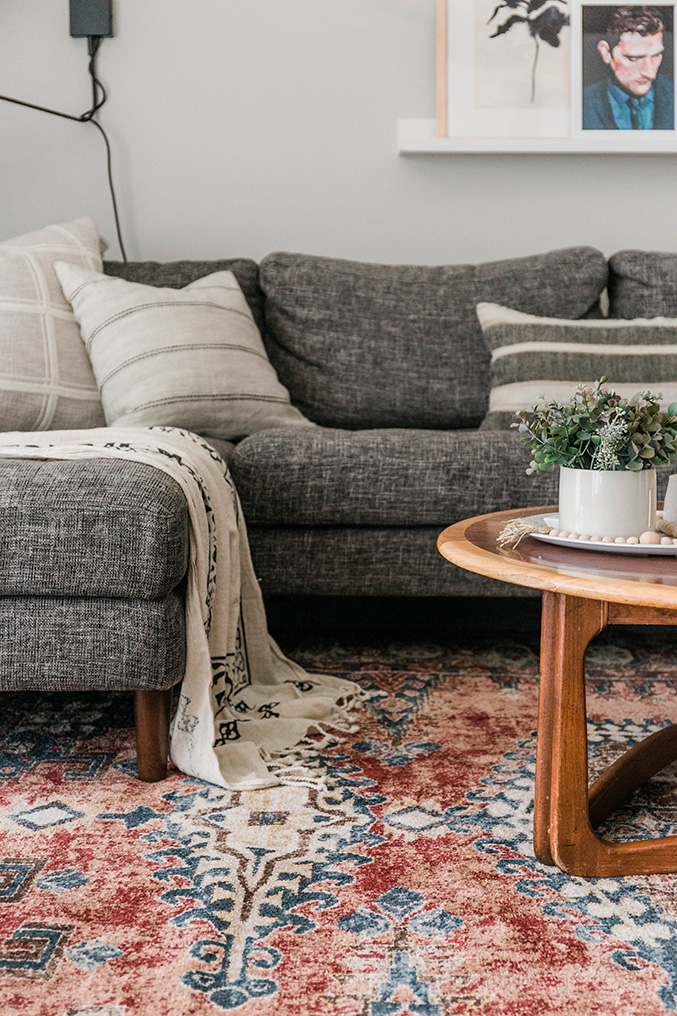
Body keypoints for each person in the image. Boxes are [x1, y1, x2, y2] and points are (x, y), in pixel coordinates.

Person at [583, 6, 674, 129]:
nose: (650, 73)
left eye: (655, 55)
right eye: (634, 58)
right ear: (606, 52)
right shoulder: (581, 103)